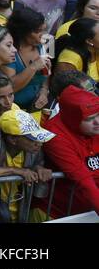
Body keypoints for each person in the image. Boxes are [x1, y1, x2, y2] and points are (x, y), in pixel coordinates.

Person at [0, 108, 56, 223]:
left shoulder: (32, 149)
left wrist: (40, 169)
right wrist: (16, 170)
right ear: (12, 139)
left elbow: (37, 164)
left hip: (18, 213)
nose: (39, 143)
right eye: (32, 138)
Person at [41, 85, 99, 217]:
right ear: (73, 119)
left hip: (89, 208)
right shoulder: (55, 135)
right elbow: (84, 181)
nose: (97, 122)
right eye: (89, 119)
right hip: (57, 213)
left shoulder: (94, 127)